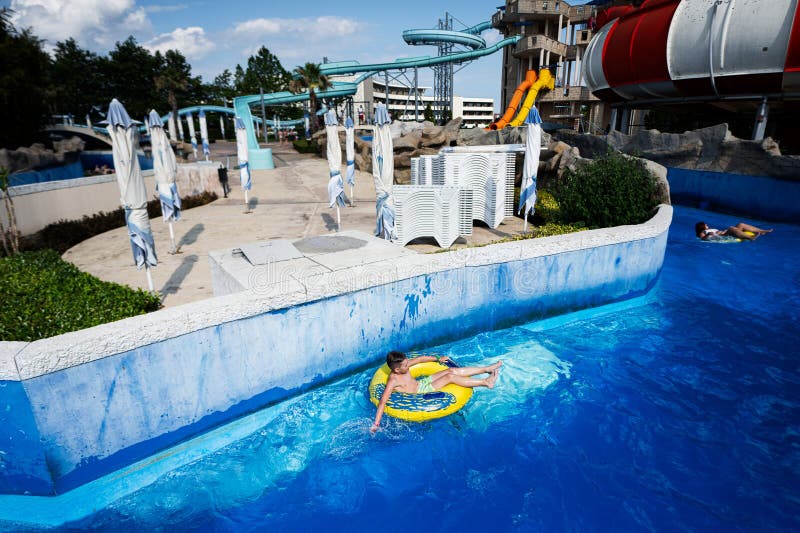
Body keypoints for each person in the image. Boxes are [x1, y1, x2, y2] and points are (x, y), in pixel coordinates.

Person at [371, 351, 502, 433]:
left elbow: (420, 359)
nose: (408, 365)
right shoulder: (393, 380)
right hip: (420, 392)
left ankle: (486, 369)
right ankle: (485, 383)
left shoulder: (404, 366)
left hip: (422, 383)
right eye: (405, 365)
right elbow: (382, 402)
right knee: (450, 377)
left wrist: (438, 358)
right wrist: (376, 424)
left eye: (406, 363)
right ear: (397, 370)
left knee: (451, 371)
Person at [695, 221, 773, 241]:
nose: (707, 225)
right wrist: (708, 235)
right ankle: (751, 238)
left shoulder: (709, 229)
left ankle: (762, 231)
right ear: (702, 226)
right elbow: (702, 238)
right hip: (721, 237)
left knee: (741, 224)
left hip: (723, 233)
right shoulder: (702, 232)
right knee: (732, 228)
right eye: (705, 224)